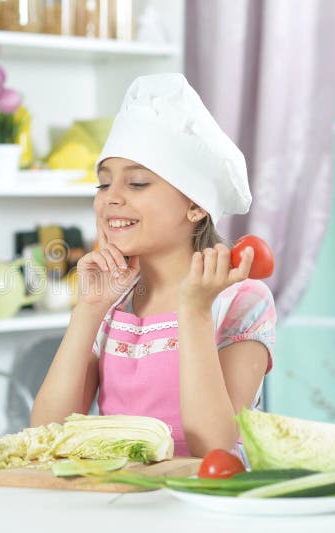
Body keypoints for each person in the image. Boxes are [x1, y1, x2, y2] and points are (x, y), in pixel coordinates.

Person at [30, 73, 276, 458]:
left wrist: (193, 310)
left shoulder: (241, 299)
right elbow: (47, 435)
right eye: (103, 184)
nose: (110, 198)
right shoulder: (113, 299)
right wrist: (88, 309)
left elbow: (214, 449)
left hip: (202, 507)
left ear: (195, 205)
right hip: (118, 501)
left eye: (137, 184)